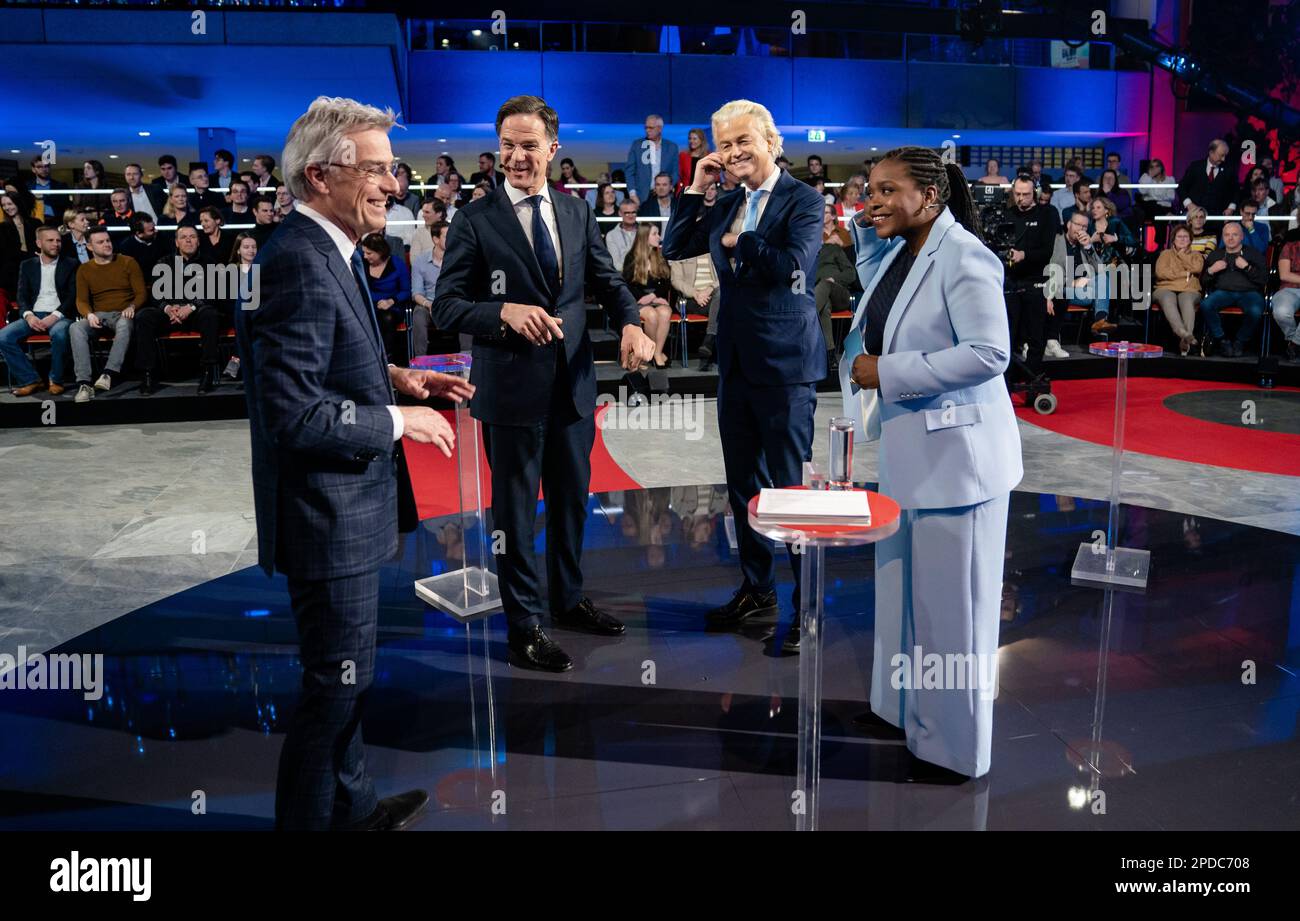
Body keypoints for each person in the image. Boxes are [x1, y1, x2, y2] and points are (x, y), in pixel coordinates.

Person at [236, 95, 471, 832]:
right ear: (318, 178)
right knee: (333, 689)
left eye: (391, 169)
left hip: (345, 508)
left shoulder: (326, 249)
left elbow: (330, 365)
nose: (392, 184)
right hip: (323, 515)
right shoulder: (297, 263)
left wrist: (399, 377)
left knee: (350, 678)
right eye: (375, 170)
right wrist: (401, 418)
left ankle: (358, 809)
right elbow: (296, 415)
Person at [431, 94, 654, 673]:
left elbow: (608, 282)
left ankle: (569, 599)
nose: (516, 156)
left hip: (575, 387)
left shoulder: (576, 212)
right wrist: (502, 312)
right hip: (509, 392)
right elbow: (448, 307)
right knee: (513, 516)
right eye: (507, 145)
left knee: (572, 505)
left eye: (529, 146)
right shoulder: (474, 219)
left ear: (553, 150)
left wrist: (631, 322)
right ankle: (523, 625)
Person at [840, 145, 1021, 781]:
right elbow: (886, 299)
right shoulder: (902, 253)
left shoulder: (967, 255)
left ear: (931, 197)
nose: (874, 201)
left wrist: (886, 372)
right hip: (912, 455)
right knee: (900, 599)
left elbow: (989, 353)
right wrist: (870, 235)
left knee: (953, 616)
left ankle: (955, 749)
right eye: (871, 191)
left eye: (888, 191)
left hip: (959, 464)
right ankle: (899, 712)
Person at [662, 98, 825, 649]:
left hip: (784, 366)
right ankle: (759, 589)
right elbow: (675, 245)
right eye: (723, 145)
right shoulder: (725, 197)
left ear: (771, 141)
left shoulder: (805, 200)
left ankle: (809, 608)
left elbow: (792, 267)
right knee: (743, 489)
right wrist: (695, 187)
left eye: (742, 142)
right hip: (733, 362)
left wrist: (740, 240)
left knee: (791, 492)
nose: (733, 153)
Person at [133, 225, 224, 395]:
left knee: (210, 314)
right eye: (184, 237)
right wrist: (168, 308)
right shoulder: (163, 262)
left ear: (198, 241)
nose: (188, 240)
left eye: (192, 237)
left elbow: (215, 293)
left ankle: (207, 372)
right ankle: (147, 374)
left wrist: (190, 307)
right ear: (176, 242)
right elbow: (154, 294)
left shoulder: (210, 262)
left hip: (197, 312)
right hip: (170, 313)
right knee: (144, 316)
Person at [70, 226, 143, 402]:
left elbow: (141, 293)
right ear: (89, 247)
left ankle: (108, 373)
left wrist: (132, 306)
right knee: (75, 328)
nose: (107, 244)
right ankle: (84, 383)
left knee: (125, 323)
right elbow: (81, 300)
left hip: (122, 313)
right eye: (100, 242)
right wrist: (89, 314)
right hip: (99, 315)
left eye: (108, 240)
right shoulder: (84, 269)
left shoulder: (128, 262)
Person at [1, 226, 77, 396]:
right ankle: (31, 380)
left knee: (60, 334)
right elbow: (21, 295)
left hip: (60, 316)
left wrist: (55, 316)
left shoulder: (71, 263)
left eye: (58, 240)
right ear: (38, 243)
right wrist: (28, 316)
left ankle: (55, 380)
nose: (56, 244)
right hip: (34, 314)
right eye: (50, 240)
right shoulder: (27, 265)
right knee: (3, 337)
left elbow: (73, 296)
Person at [1199, 221, 1266, 357]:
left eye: (1234, 234)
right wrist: (1211, 270)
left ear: (1242, 237)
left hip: (1249, 293)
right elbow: (1203, 281)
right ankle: (1222, 340)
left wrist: (1247, 268)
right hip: (1223, 292)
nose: (1230, 238)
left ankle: (1240, 341)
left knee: (1255, 311)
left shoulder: (1254, 254)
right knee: (1206, 305)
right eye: (1227, 235)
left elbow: (1264, 280)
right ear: (1223, 237)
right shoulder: (1215, 255)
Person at [622, 223, 673, 368]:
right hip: (638, 300)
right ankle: (647, 352)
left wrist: (654, 296)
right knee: (651, 315)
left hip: (655, 298)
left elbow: (666, 282)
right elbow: (627, 285)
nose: (659, 237)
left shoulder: (660, 255)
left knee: (664, 312)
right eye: (655, 234)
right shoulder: (631, 257)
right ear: (645, 237)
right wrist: (645, 297)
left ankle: (657, 352)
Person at [1152, 224, 1205, 355]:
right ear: (1173, 240)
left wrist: (1182, 256)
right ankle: (1184, 334)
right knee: (1168, 298)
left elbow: (1197, 269)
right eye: (1179, 237)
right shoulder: (1165, 254)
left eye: (1186, 237)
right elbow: (1160, 273)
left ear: (1190, 240)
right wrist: (1186, 274)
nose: (1182, 240)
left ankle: (1185, 342)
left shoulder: (1197, 255)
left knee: (1187, 301)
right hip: (1165, 288)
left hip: (1190, 289)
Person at [814, 202, 856, 369]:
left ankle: (802, 321)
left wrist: (833, 279)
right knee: (825, 307)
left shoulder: (835, 249)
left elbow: (851, 274)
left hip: (840, 293)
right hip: (822, 294)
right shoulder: (811, 254)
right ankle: (830, 356)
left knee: (825, 284)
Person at [358, 231, 410, 362]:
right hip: (367, 304)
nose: (365, 256)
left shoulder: (397, 264)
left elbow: (406, 290)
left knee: (386, 317)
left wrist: (391, 301)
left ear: (380, 252)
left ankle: (387, 359)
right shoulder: (361, 264)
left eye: (369, 253)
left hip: (392, 306)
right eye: (364, 252)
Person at [410, 219, 449, 358]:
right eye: (447, 236)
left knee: (468, 310)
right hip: (429, 304)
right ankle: (420, 359)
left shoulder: (459, 259)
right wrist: (429, 304)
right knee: (418, 314)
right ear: (436, 239)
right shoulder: (420, 262)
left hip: (453, 303)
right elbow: (417, 293)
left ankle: (468, 360)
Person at [625, 114, 679, 205]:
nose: (647, 130)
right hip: (641, 196)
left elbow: (675, 172)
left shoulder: (672, 147)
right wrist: (633, 194)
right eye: (646, 128)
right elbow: (629, 172)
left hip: (665, 197)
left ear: (660, 129)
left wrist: (667, 188)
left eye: (651, 128)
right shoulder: (637, 145)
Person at [1176, 139, 1237, 216]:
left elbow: (1236, 191)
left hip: (1219, 217)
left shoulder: (1229, 170)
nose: (1223, 159)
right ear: (1211, 153)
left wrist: (1231, 208)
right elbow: (1181, 187)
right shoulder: (1195, 167)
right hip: (1196, 216)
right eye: (1221, 155)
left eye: (1225, 156)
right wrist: (1189, 204)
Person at [1271, 232, 1300, 361]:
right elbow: (1284, 275)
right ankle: (1295, 342)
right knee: (1281, 312)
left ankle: (1294, 345)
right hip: (1289, 289)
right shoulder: (1290, 247)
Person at [676, 128, 711, 195]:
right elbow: (679, 176)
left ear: (701, 140)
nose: (691, 141)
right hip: (687, 192)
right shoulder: (683, 156)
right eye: (690, 138)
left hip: (704, 192)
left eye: (694, 139)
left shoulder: (708, 157)